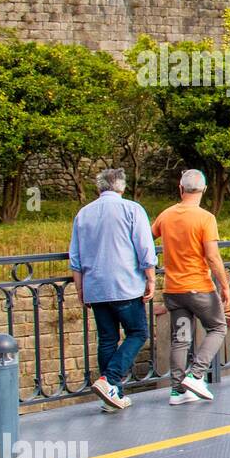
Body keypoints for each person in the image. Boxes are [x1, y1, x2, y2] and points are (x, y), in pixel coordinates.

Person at [68, 168, 157, 412]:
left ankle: (112, 397)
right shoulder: (132, 209)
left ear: (99, 188)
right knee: (138, 333)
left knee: (107, 338)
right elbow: (145, 248)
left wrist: (80, 290)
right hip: (125, 285)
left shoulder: (83, 213)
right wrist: (151, 277)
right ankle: (109, 380)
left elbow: (75, 258)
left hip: (95, 286)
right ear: (122, 187)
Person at [151, 169, 229, 404]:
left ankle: (177, 391)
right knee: (217, 328)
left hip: (174, 291)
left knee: (181, 338)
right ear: (204, 190)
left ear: (180, 188)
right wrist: (225, 285)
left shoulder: (166, 215)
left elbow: (147, 239)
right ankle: (196, 375)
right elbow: (213, 257)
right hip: (198, 288)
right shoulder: (205, 218)